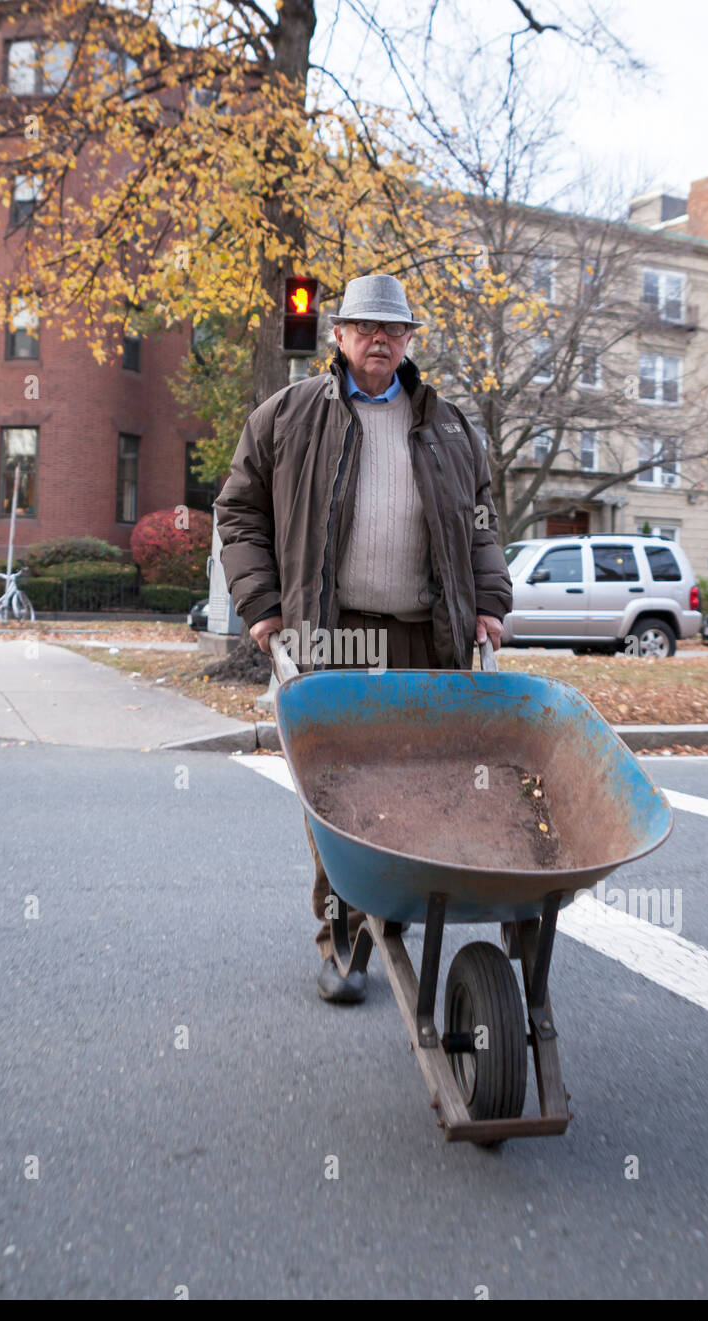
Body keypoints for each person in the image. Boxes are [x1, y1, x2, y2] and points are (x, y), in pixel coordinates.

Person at [214, 273, 512, 1003]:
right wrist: (260, 604)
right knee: (338, 793)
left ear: (408, 340)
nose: (379, 340)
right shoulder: (286, 416)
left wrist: (489, 600)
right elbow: (238, 512)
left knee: (423, 786)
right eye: (364, 328)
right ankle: (343, 939)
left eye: (394, 330)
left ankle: (399, 909)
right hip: (334, 634)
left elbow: (480, 521)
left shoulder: (447, 424)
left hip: (425, 638)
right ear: (339, 336)